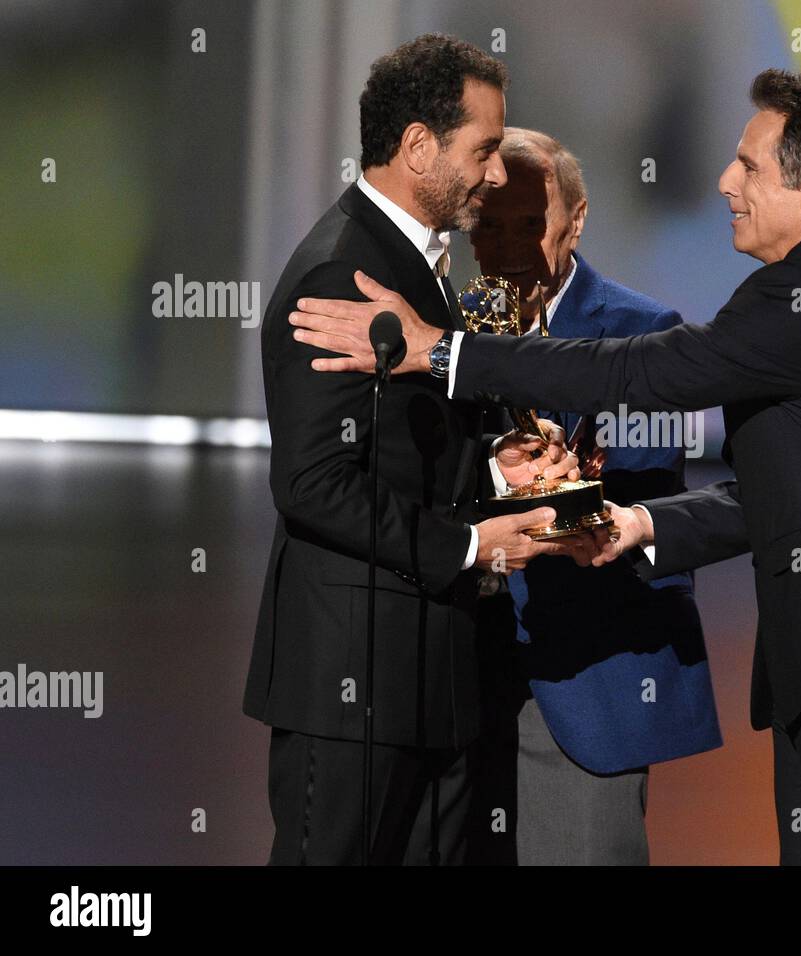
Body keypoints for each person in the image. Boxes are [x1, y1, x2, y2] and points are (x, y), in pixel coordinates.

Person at [290, 69, 801, 865]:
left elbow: (642, 374)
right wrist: (640, 523)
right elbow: (794, 496)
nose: (727, 182)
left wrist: (438, 351)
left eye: (749, 167)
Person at [243, 34, 582, 866]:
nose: (498, 173)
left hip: (428, 677)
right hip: (355, 683)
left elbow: (400, 450)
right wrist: (472, 543)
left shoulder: (414, 262)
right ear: (418, 146)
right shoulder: (342, 274)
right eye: (486, 149)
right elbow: (316, 484)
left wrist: (497, 471)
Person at [463, 128, 723, 865]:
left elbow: (641, 502)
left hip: (583, 675)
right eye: (487, 224)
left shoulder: (642, 334)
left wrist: (545, 494)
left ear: (575, 221)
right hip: (458, 681)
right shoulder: (452, 331)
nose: (506, 247)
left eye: (528, 225)